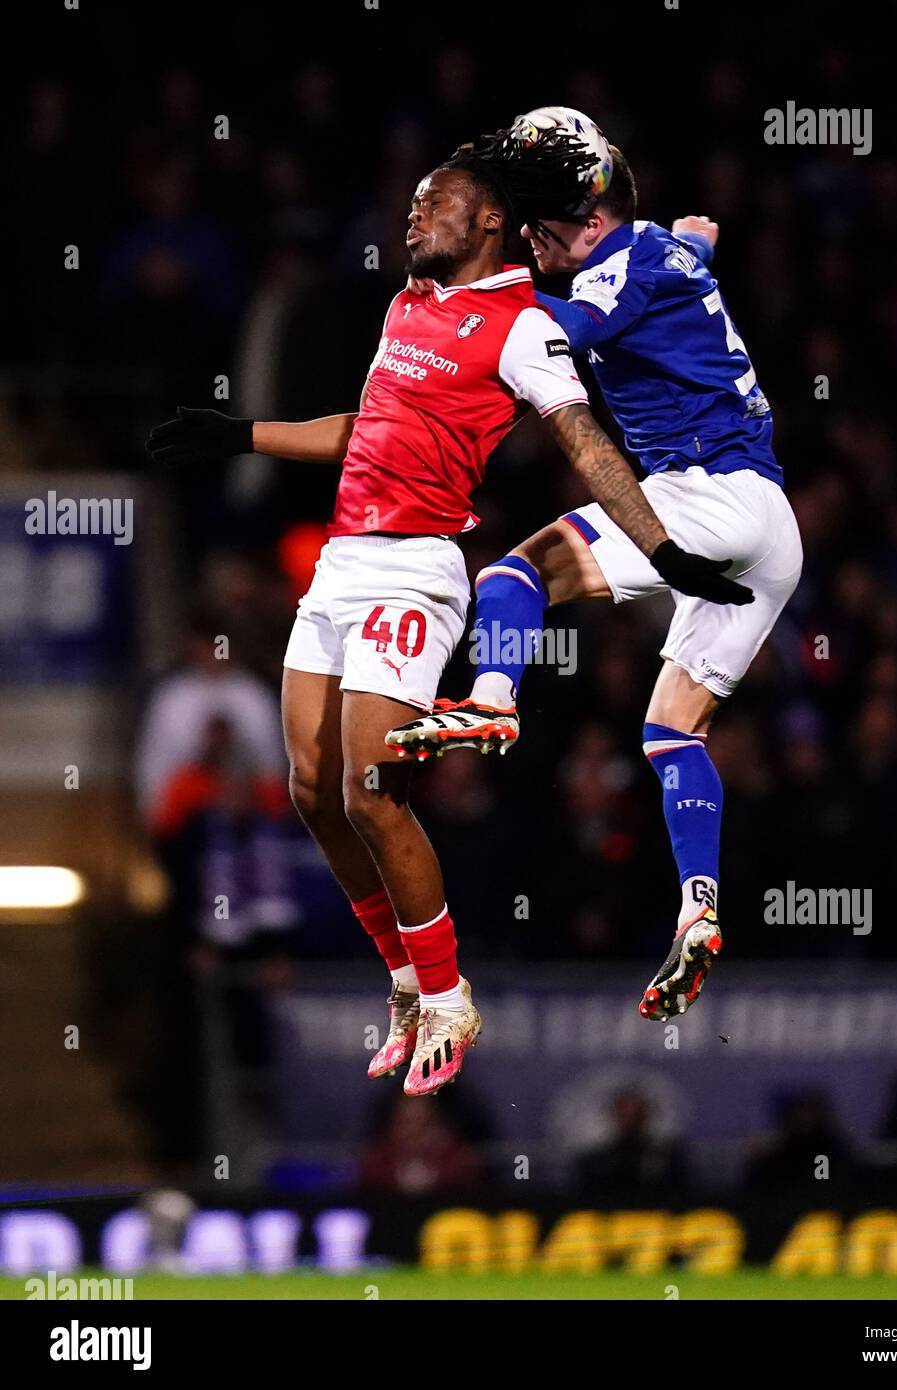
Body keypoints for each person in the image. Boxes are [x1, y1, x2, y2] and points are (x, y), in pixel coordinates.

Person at [147, 144, 746, 1097]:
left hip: (415, 571)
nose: (413, 216)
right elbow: (367, 428)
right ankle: (402, 982)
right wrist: (238, 433)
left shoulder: (517, 328)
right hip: (343, 559)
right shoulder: (407, 305)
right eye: (415, 202)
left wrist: (660, 549)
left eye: (436, 205)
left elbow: (585, 444)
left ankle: (447, 994)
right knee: (308, 784)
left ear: (490, 226)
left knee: (369, 789)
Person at [386, 118, 803, 1025]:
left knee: (515, 574)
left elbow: (547, 334)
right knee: (672, 735)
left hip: (707, 495)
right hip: (771, 524)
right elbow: (677, 254)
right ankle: (699, 905)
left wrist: (450, 310)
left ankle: (492, 696)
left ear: (580, 208)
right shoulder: (666, 252)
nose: (524, 233)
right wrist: (695, 241)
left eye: (534, 216)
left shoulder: (618, 267)